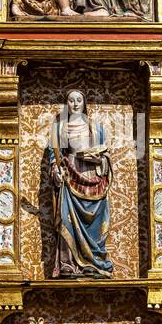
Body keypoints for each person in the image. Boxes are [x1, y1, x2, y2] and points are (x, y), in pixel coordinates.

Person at [49, 89, 113, 277]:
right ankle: (68, 263)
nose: (75, 104)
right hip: (70, 178)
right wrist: (56, 171)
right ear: (66, 104)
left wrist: (100, 161)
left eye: (79, 100)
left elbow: (106, 155)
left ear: (85, 103)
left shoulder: (96, 128)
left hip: (94, 179)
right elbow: (55, 157)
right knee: (67, 219)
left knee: (95, 221)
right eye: (71, 100)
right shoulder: (60, 128)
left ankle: (94, 263)